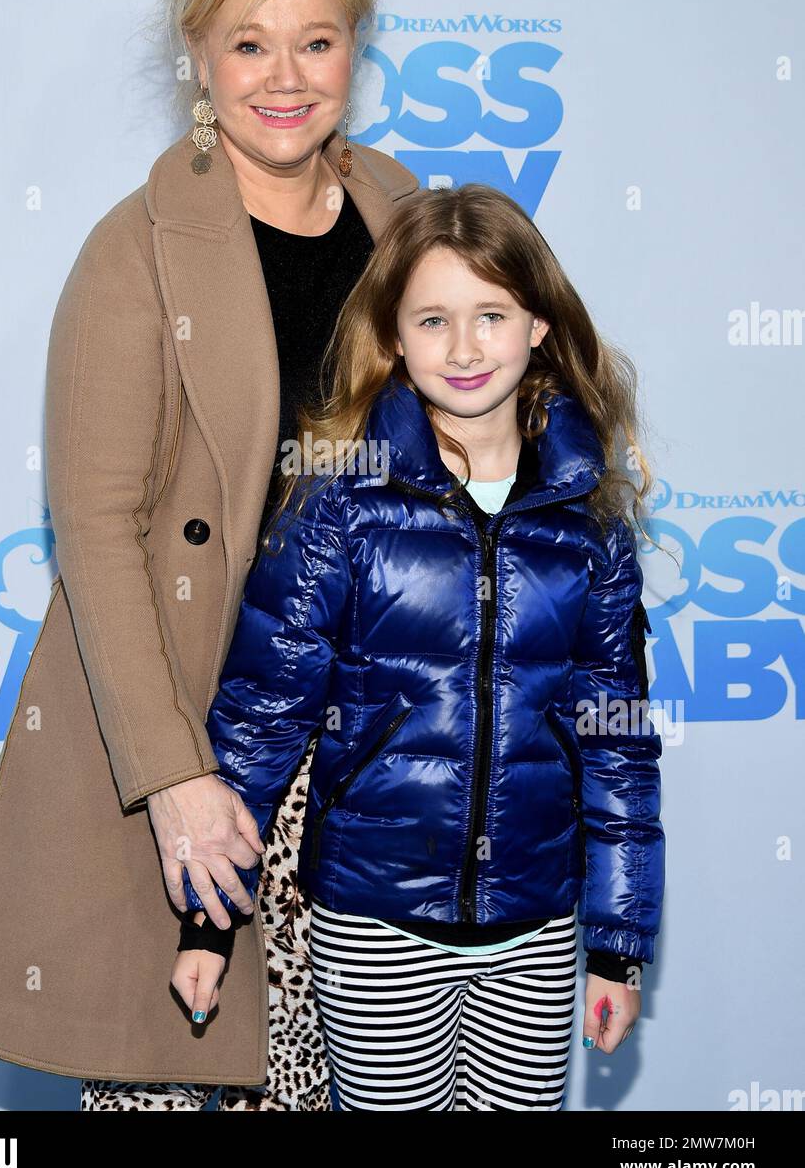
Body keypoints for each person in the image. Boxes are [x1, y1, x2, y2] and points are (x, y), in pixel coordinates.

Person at [0, 0, 419, 1110]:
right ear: (196, 56)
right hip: (203, 730)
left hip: (371, 740)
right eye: (247, 43)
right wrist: (176, 784)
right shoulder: (134, 250)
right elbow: (95, 532)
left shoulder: (402, 214)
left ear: (355, 49)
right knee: (178, 1079)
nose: (283, 78)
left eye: (314, 42)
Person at [173, 181, 667, 1111]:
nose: (466, 346)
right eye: (433, 319)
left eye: (491, 315)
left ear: (539, 327)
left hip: (536, 926)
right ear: (394, 337)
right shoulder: (340, 500)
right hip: (373, 921)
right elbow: (264, 713)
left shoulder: (588, 517)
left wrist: (618, 942)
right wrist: (207, 919)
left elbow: (618, 745)